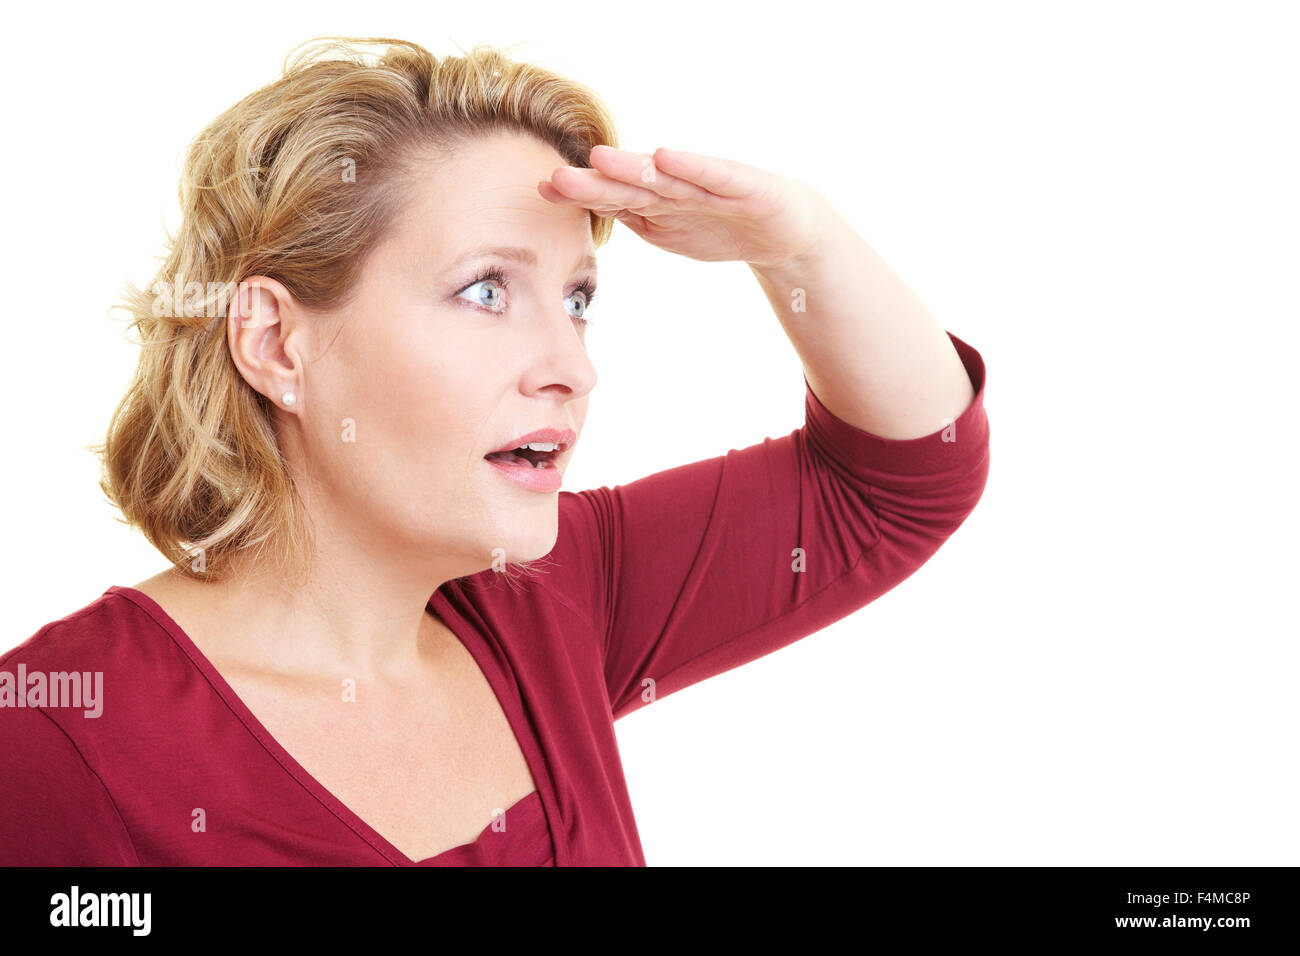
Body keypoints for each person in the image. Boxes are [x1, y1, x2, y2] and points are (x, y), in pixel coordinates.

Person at [0, 35, 990, 865]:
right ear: (274, 341)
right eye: (486, 290)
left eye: (578, 298)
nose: (571, 366)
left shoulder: (554, 599)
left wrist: (797, 241)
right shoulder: (51, 738)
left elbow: (902, 479)